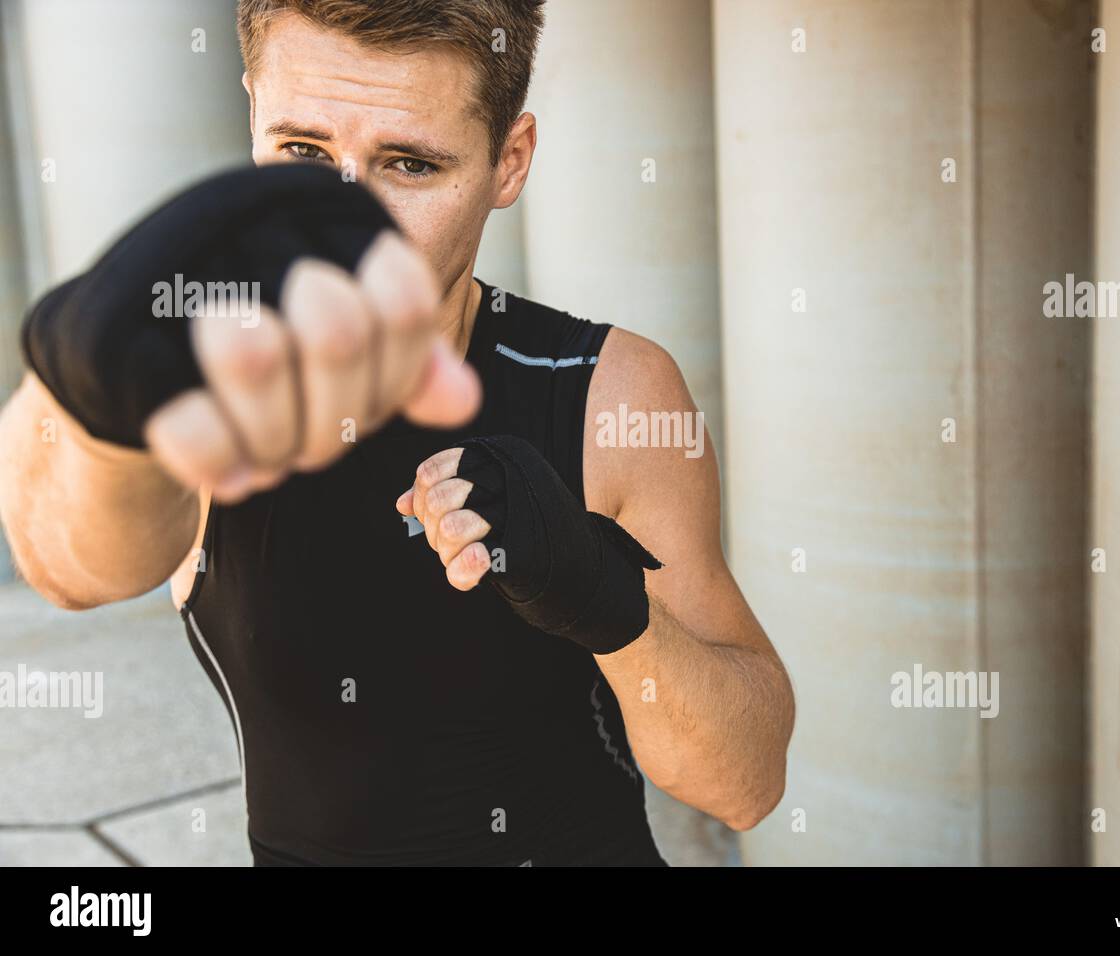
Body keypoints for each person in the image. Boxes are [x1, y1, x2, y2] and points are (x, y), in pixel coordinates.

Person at [0, 0, 794, 866]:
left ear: (509, 162)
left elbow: (744, 783)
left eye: (410, 164)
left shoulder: (609, 391)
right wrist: (93, 394)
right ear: (253, 114)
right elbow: (72, 571)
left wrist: (607, 598)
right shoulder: (215, 386)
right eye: (303, 153)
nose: (350, 229)